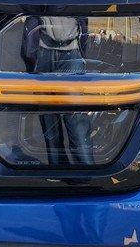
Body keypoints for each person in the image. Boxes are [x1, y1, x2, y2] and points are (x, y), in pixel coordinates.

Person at [20, 15, 94, 166]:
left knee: (76, 118)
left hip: (71, 51)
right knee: (48, 118)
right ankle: (58, 167)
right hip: (41, 51)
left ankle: (86, 172)